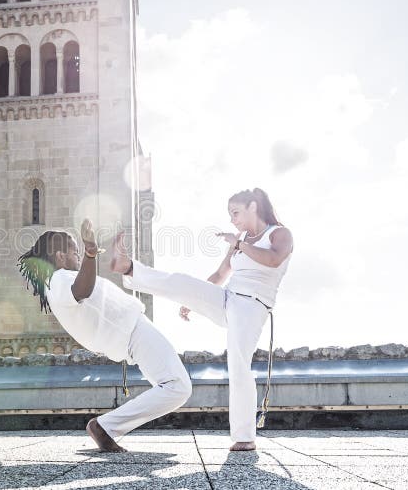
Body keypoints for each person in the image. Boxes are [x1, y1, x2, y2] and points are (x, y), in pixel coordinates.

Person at [111, 188, 293, 451]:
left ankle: (244, 437)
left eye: (235, 212)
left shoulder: (279, 233)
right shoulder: (241, 239)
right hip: (228, 298)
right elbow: (221, 273)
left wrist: (239, 244)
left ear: (254, 206)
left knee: (238, 363)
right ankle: (129, 267)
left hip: (252, 307)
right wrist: (193, 300)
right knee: (181, 282)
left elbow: (274, 259)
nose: (232, 219)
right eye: (230, 214)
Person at [17, 219, 191, 452]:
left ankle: (106, 426)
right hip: (133, 331)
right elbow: (82, 290)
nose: (78, 257)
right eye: (75, 252)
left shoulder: (59, 281)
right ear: (59, 257)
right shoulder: (59, 280)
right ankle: (104, 426)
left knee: (173, 386)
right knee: (177, 386)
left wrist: (89, 256)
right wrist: (90, 253)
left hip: (131, 332)